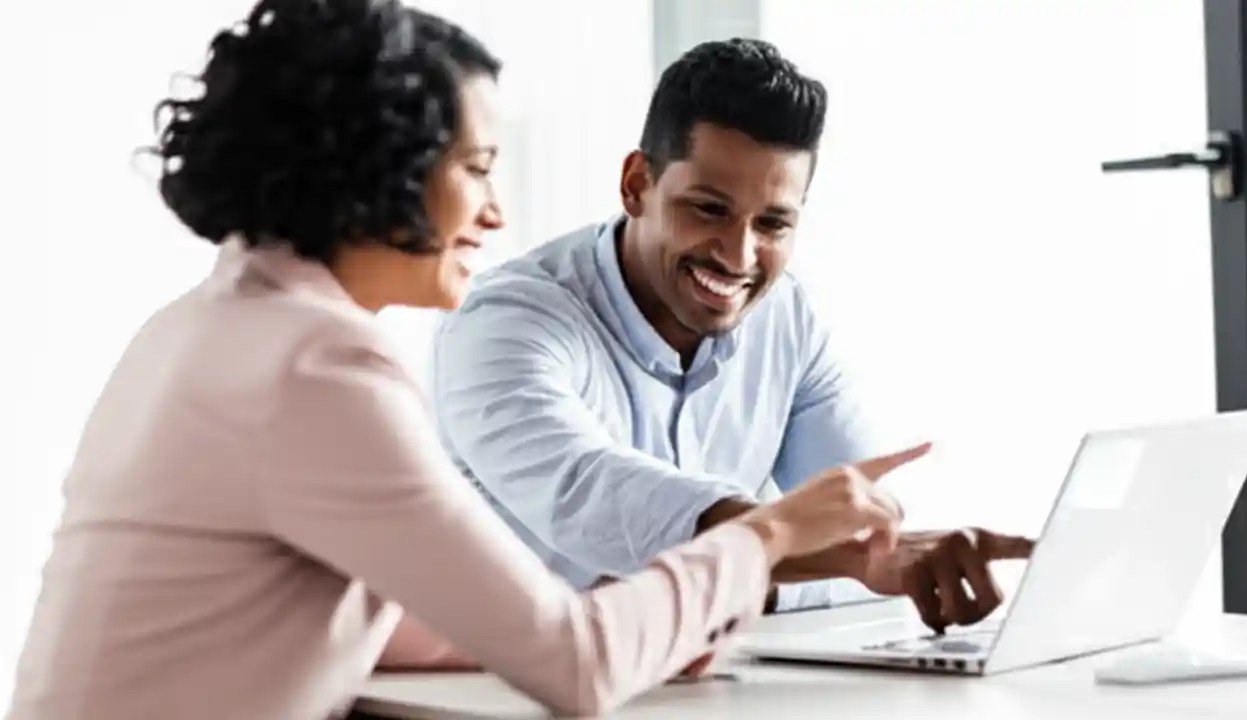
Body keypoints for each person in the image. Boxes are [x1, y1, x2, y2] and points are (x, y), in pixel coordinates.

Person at [6, 3, 907, 719]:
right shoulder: (317, 371)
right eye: (476, 168)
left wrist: (660, 621)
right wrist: (766, 537)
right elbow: (579, 669)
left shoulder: (213, 326)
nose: (496, 214)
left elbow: (377, 619)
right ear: (380, 173)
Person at [433, 37, 1035, 626]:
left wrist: (754, 583)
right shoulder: (504, 324)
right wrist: (809, 560)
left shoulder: (787, 319)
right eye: (709, 209)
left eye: (773, 223)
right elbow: (590, 496)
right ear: (637, 184)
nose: (738, 255)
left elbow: (873, 542)